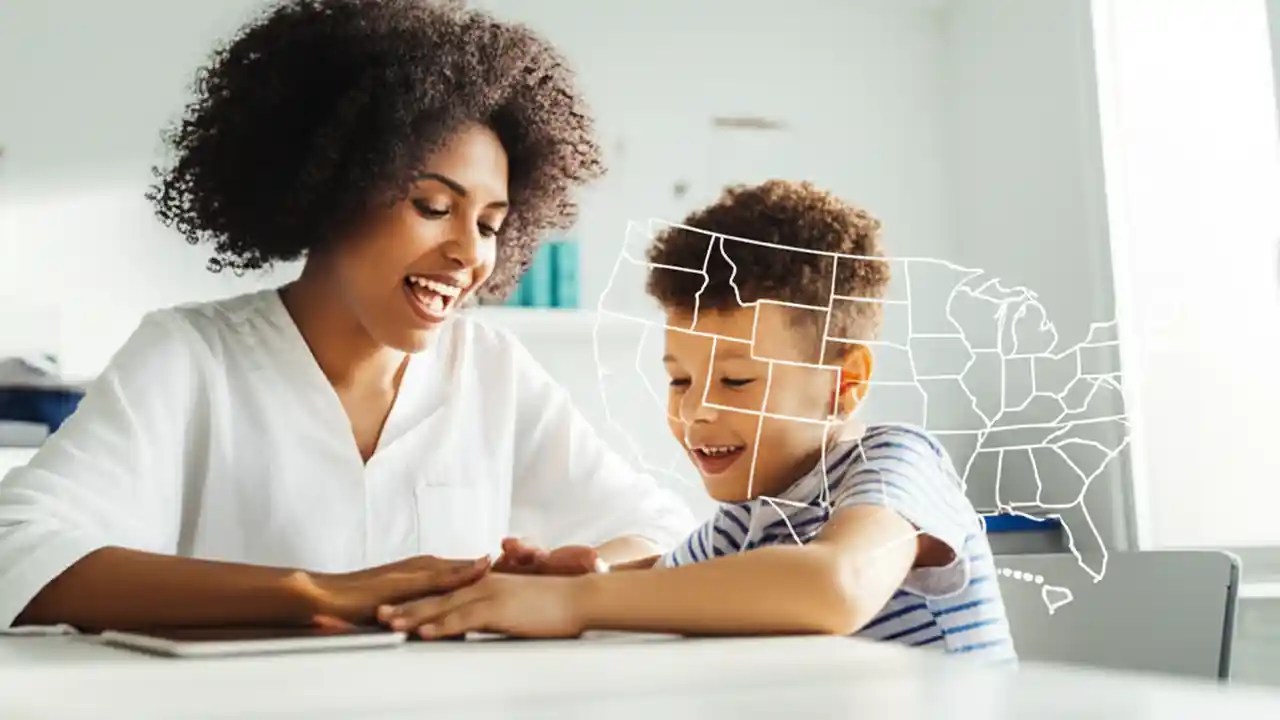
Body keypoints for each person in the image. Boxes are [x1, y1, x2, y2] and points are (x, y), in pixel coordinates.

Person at [0, 0, 695, 631]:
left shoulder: (490, 370)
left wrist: (582, 577)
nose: (467, 253)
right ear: (335, 187)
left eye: (489, 223)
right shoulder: (191, 357)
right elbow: (19, 548)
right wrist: (316, 592)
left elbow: (664, 528)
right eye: (432, 207)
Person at [378, 180, 1018, 662]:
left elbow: (837, 583)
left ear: (844, 383)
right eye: (679, 378)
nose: (694, 409)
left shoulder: (895, 465)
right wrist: (580, 576)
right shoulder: (742, 528)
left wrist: (572, 603)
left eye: (737, 379)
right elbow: (676, 588)